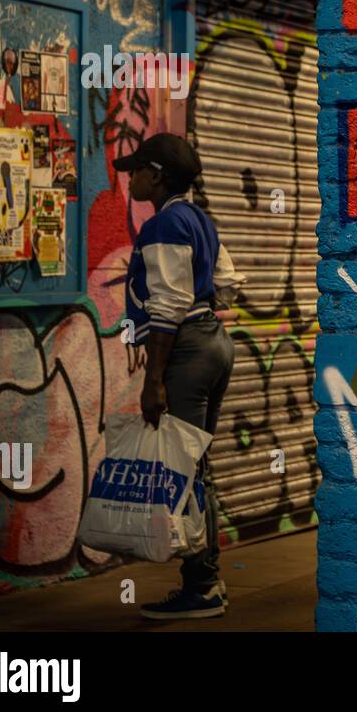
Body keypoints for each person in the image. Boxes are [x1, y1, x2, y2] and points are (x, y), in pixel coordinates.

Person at [116, 133, 245, 619]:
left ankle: (203, 587)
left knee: (184, 469)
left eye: (138, 170)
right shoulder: (198, 220)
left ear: (159, 175)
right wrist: (204, 307)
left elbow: (168, 305)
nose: (131, 178)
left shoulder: (166, 223)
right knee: (195, 467)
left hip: (188, 349)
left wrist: (155, 380)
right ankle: (206, 580)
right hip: (214, 342)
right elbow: (228, 283)